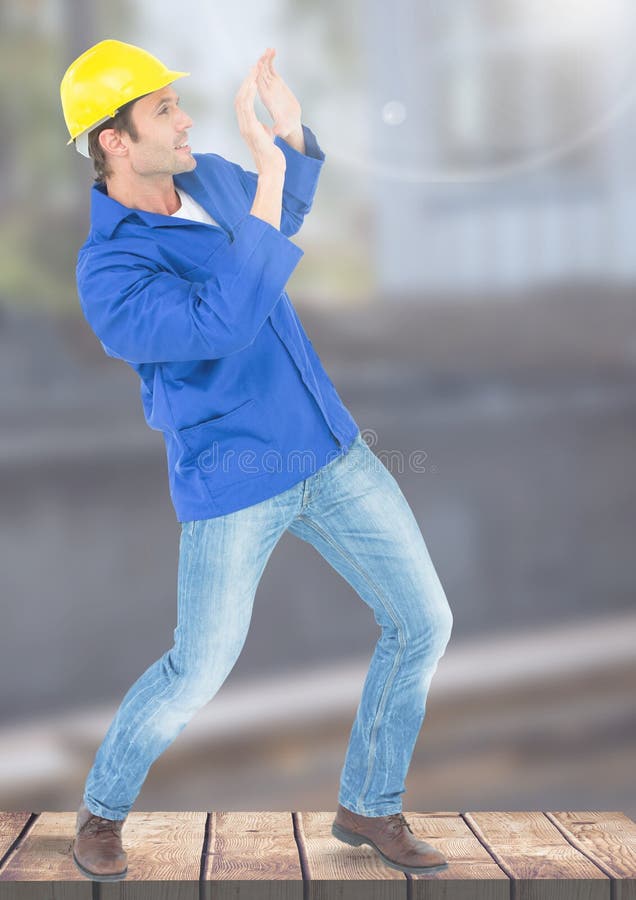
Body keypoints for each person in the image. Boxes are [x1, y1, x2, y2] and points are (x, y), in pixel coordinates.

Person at [59, 38, 453, 883]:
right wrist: (267, 174)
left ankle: (370, 803)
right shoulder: (110, 269)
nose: (185, 119)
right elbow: (222, 321)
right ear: (114, 140)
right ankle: (101, 810)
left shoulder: (205, 179)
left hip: (328, 446)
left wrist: (290, 137)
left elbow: (284, 216)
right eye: (164, 109)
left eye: (177, 103)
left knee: (423, 622)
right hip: (234, 476)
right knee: (196, 670)